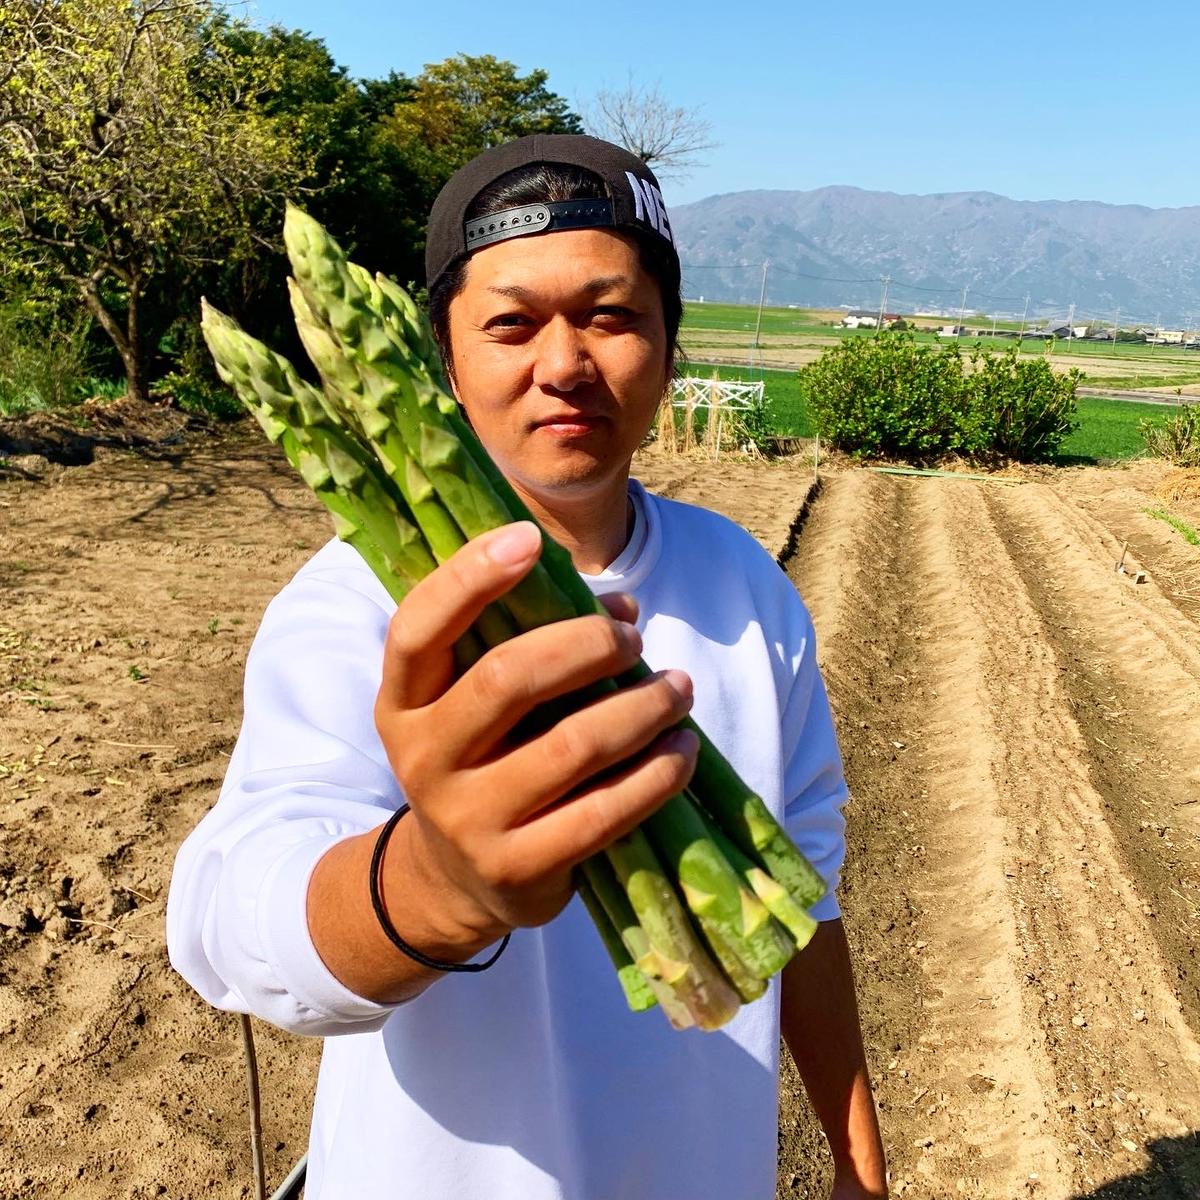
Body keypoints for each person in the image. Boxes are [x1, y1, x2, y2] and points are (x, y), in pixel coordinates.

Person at [167, 133, 887, 1199]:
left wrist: (859, 1160)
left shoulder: (745, 585)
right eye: (510, 324)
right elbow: (234, 915)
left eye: (611, 316)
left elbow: (809, 895)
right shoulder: (363, 602)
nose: (564, 364)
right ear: (441, 367)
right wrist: (433, 884)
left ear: (669, 343)